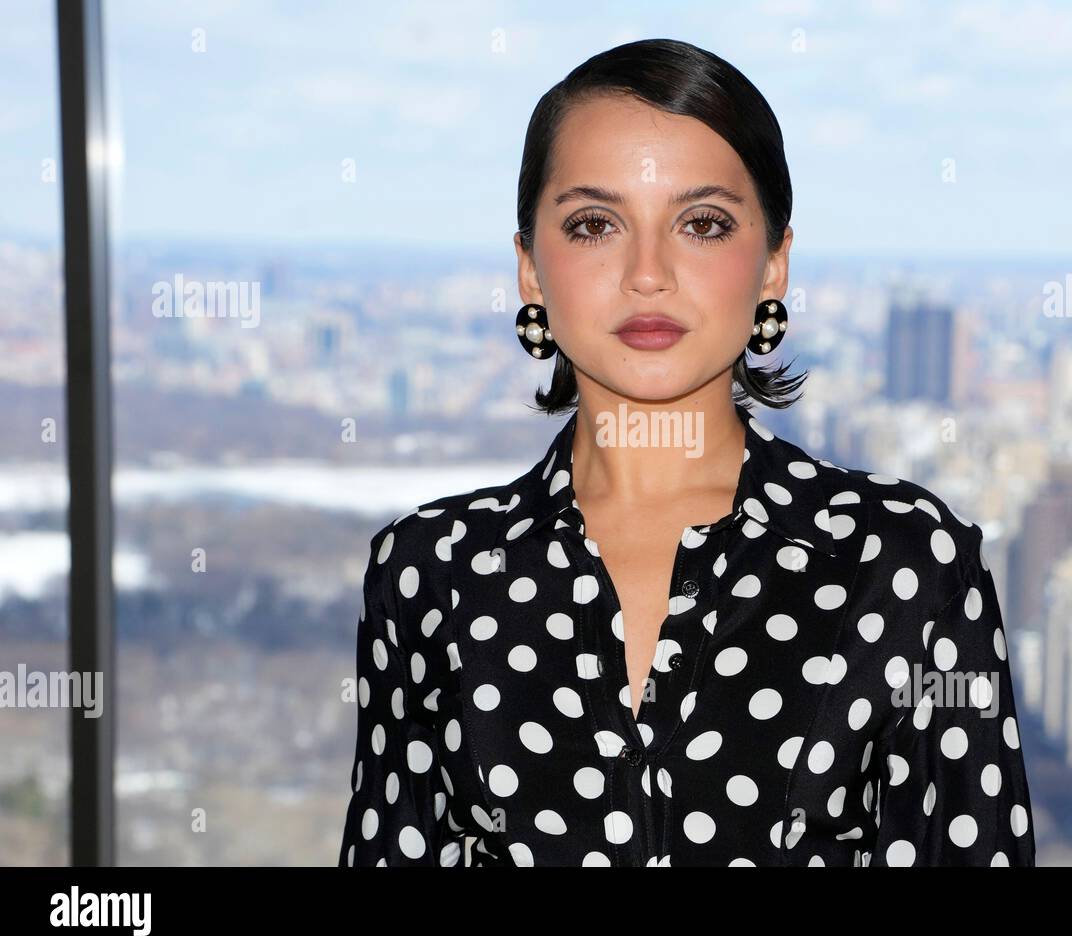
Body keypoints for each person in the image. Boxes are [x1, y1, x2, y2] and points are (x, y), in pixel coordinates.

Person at [338, 37, 1035, 867]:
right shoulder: (428, 573)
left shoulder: (906, 563)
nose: (648, 273)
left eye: (702, 224)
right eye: (594, 225)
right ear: (529, 270)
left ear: (774, 264)